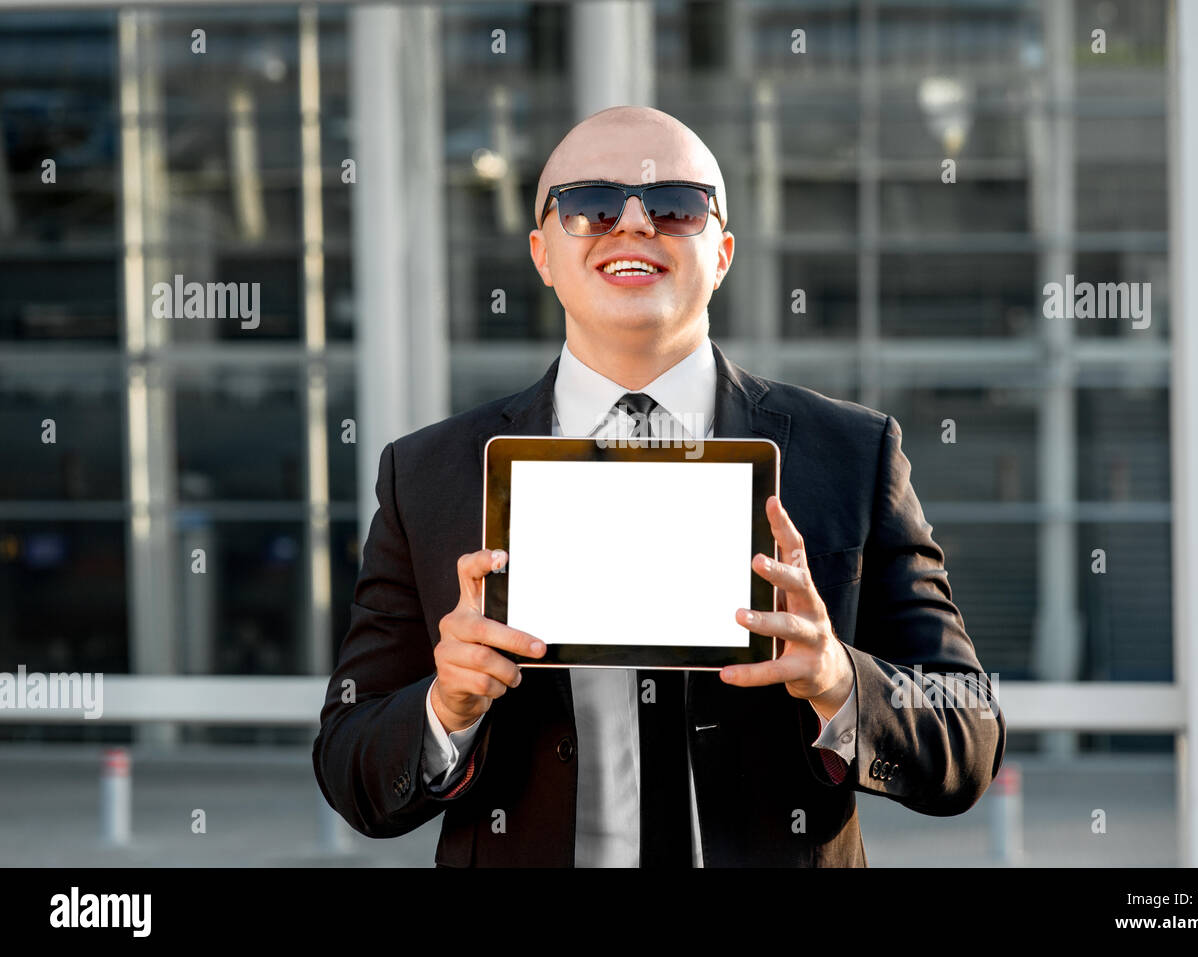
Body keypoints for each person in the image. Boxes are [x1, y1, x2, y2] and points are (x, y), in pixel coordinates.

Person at [312, 105, 1006, 867]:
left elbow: (967, 729)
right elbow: (349, 761)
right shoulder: (431, 474)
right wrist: (445, 707)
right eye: (591, 205)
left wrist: (838, 677)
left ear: (724, 252)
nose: (634, 225)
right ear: (543, 253)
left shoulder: (851, 455)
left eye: (676, 205)